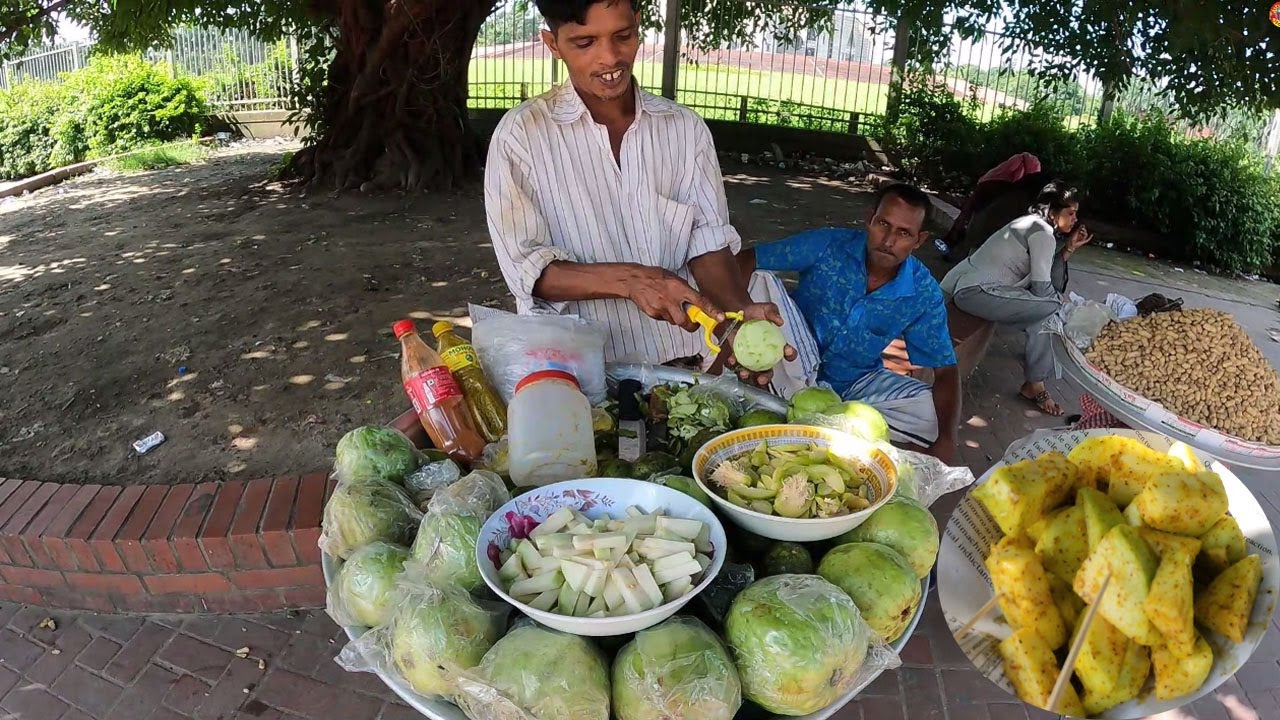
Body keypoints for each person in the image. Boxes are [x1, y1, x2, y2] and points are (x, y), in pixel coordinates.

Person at [484, 0, 789, 381]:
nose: (609, 58)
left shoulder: (684, 130)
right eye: (584, 43)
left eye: (623, 36)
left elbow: (707, 240)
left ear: (639, 25)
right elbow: (528, 271)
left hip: (685, 360)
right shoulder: (521, 136)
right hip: (577, 372)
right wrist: (634, 280)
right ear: (552, 43)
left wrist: (736, 314)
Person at [737, 183, 961, 462]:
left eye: (904, 233)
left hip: (854, 386)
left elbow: (946, 370)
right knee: (762, 280)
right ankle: (826, 424)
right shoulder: (829, 244)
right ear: (869, 219)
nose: (888, 240)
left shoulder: (922, 292)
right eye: (883, 224)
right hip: (790, 359)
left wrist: (947, 440)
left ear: (919, 240)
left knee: (931, 415)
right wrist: (734, 315)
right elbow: (748, 258)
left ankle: (818, 417)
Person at [940, 181, 1093, 416]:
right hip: (975, 293)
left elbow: (1044, 282)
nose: (1075, 220)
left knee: (1044, 315)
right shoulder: (1042, 233)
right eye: (1070, 213)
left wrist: (1068, 250)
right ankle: (1035, 383)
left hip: (968, 289)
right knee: (1053, 308)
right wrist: (1066, 307)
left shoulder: (1029, 223)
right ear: (1052, 211)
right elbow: (1043, 290)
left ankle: (1034, 384)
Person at [940, 153, 1044, 262]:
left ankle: (953, 251)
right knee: (974, 225)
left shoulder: (1018, 163)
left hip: (987, 192)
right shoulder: (1020, 172)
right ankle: (956, 253)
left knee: (969, 220)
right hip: (988, 195)